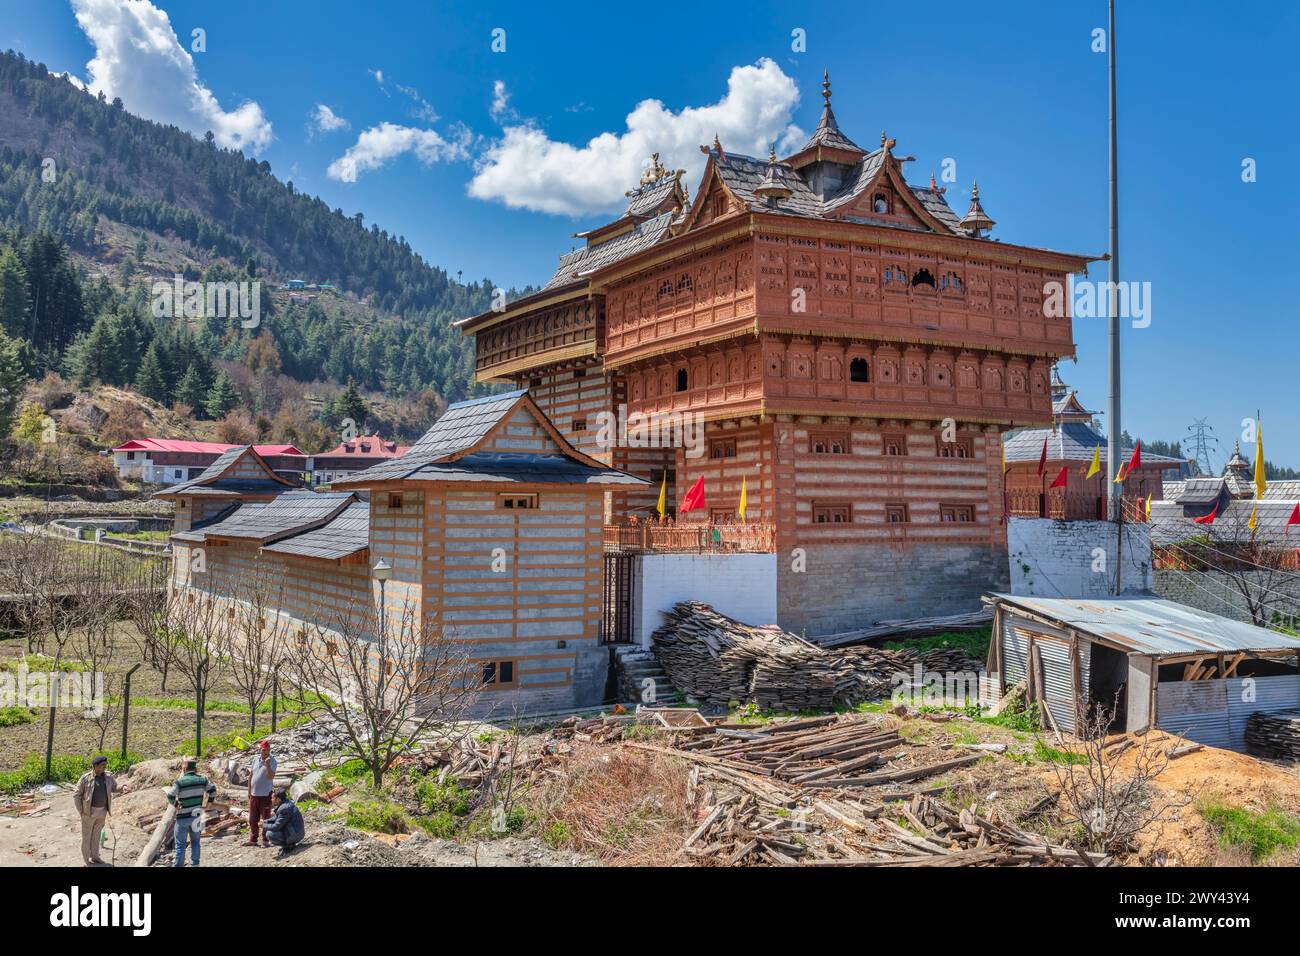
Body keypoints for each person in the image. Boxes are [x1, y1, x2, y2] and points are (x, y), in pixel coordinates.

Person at [166, 758, 216, 868]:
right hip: (197, 817)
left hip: (183, 818)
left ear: (184, 768)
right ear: (195, 769)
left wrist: (176, 804)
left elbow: (170, 795)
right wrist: (209, 804)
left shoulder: (180, 782)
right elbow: (212, 790)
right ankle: (195, 865)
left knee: (180, 845)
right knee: (195, 842)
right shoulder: (203, 779)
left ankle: (179, 865)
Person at [73, 755, 118, 867]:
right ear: (96, 766)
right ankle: (86, 860)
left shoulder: (108, 776)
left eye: (105, 765)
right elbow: (76, 794)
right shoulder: (85, 778)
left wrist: (123, 788)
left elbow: (115, 788)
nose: (105, 767)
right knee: (87, 836)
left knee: (96, 835)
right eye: (102, 765)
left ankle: (95, 857)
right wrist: (81, 811)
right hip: (89, 812)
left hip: (102, 812)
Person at [246, 740, 277, 847]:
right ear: (260, 750)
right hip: (254, 794)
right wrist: (249, 791)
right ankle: (253, 839)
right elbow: (251, 776)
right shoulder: (255, 760)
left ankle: (265, 840)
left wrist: (267, 765)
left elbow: (271, 776)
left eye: (268, 750)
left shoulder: (272, 761)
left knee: (266, 818)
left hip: (265, 795)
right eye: (264, 750)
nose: (266, 752)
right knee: (252, 819)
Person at [262, 788, 304, 856]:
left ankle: (289, 846)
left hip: (296, 834)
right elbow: (277, 818)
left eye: (272, 798)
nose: (271, 800)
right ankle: (288, 845)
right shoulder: (285, 803)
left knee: (270, 834)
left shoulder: (284, 808)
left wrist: (263, 825)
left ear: (278, 799)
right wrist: (265, 821)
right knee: (269, 827)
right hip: (296, 831)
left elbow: (276, 826)